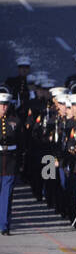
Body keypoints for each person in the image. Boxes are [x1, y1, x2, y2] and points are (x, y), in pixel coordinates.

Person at [0, 90, 16, 234]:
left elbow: (22, 140)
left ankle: (5, 225)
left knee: (7, 194)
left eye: (5, 105)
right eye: (1, 104)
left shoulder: (14, 120)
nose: (4, 107)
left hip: (10, 160)